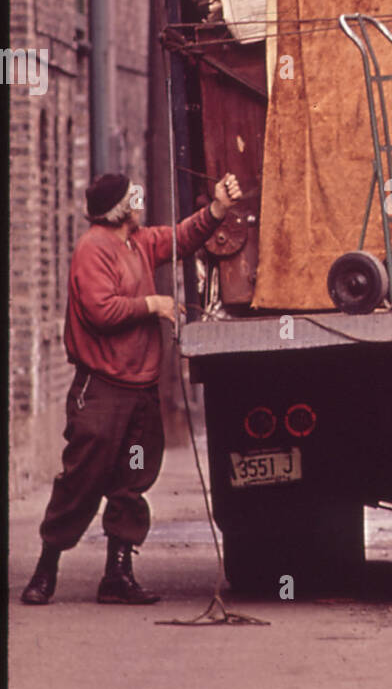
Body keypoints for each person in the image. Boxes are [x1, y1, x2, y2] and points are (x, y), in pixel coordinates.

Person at [21, 171, 242, 606]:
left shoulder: (138, 241)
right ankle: (46, 569)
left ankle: (117, 575)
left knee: (131, 480)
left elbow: (182, 237)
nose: (140, 200)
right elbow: (101, 310)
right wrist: (153, 304)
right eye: (133, 196)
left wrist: (217, 208)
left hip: (141, 392)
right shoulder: (93, 249)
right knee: (81, 479)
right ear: (120, 208)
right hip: (103, 392)